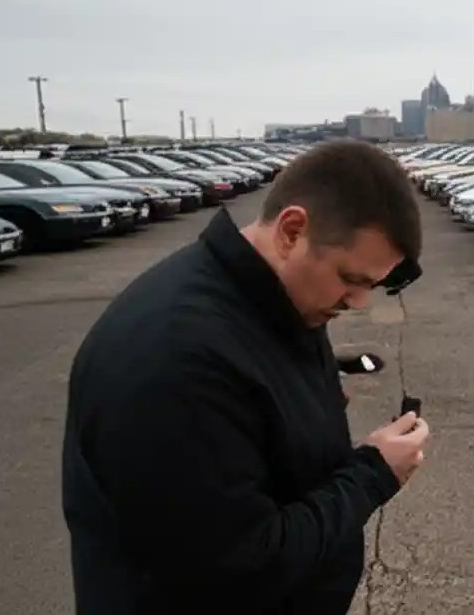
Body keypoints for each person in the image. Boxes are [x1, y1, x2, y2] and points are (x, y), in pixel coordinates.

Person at [61, 140, 431, 614]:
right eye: (352, 279)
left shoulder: (276, 303)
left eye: (373, 286)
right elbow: (240, 567)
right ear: (292, 231)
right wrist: (373, 474)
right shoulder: (178, 360)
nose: (360, 303)